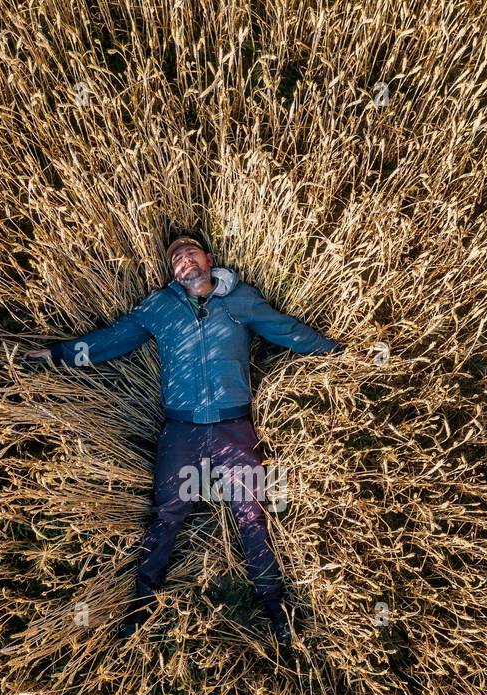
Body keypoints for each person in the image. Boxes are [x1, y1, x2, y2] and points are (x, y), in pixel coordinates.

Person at [23, 231, 341, 650]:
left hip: (233, 429)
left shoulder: (241, 300)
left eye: (190, 252)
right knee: (166, 515)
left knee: (251, 513)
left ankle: (275, 608)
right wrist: (60, 353)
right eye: (175, 258)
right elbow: (114, 338)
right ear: (173, 272)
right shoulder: (161, 307)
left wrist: (334, 352)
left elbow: (286, 330)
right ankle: (141, 606)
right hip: (182, 431)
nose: (184, 260)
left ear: (209, 259)